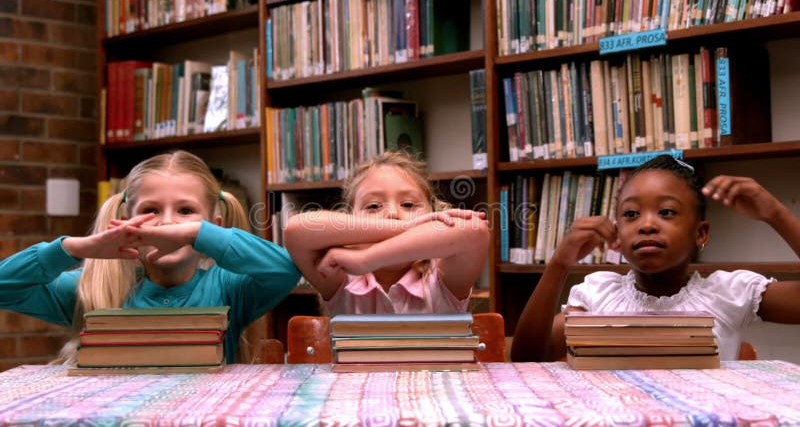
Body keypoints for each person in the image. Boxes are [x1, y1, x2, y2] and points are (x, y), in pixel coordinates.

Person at [0, 150, 301, 364]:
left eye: (186, 211)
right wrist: (73, 249)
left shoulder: (231, 288)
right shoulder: (92, 290)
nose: (167, 223)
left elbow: (284, 270)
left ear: (213, 226)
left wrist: (197, 234)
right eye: (150, 211)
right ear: (124, 220)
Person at [510, 155, 800, 362]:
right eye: (631, 214)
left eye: (666, 212)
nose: (646, 224)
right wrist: (559, 265)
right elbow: (526, 360)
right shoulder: (598, 295)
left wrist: (777, 215)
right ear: (617, 236)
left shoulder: (728, 294)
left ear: (700, 234)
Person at [283, 150, 489, 315]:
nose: (391, 214)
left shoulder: (441, 279)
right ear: (349, 220)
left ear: (433, 213)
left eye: (408, 204)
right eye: (373, 207)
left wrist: (367, 259)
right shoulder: (341, 279)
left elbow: (475, 230)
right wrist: (407, 227)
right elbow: (295, 230)